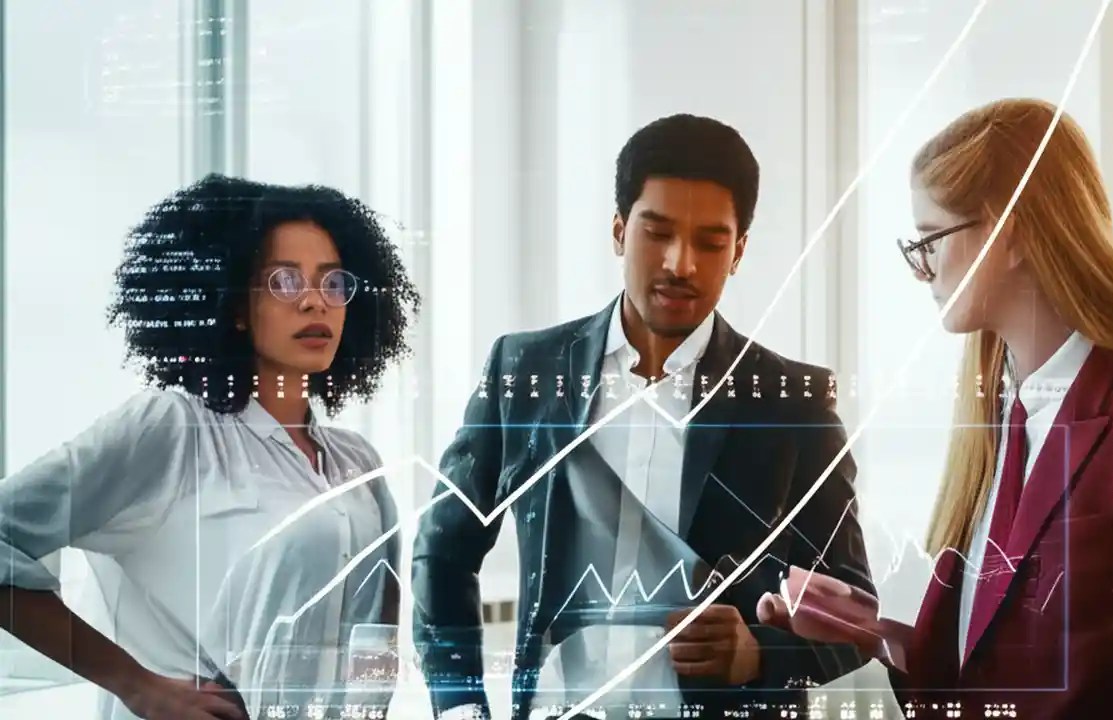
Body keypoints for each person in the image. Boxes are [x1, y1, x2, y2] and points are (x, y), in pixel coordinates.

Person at [758, 98, 1113, 717]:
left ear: (1017, 233)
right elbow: (1002, 673)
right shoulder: (1004, 421)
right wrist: (868, 632)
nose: (921, 270)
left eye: (931, 239)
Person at [412, 114, 875, 720]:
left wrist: (760, 652)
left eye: (710, 243)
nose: (681, 264)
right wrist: (460, 705)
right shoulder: (523, 370)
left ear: (738, 252)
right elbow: (442, 551)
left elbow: (858, 611)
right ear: (618, 231)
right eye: (657, 233)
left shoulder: (794, 403)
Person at [0, 174, 421, 720]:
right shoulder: (173, 429)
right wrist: (136, 684)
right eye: (283, 282)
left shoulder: (357, 462)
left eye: (332, 283)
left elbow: (377, 636)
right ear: (237, 307)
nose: (315, 301)